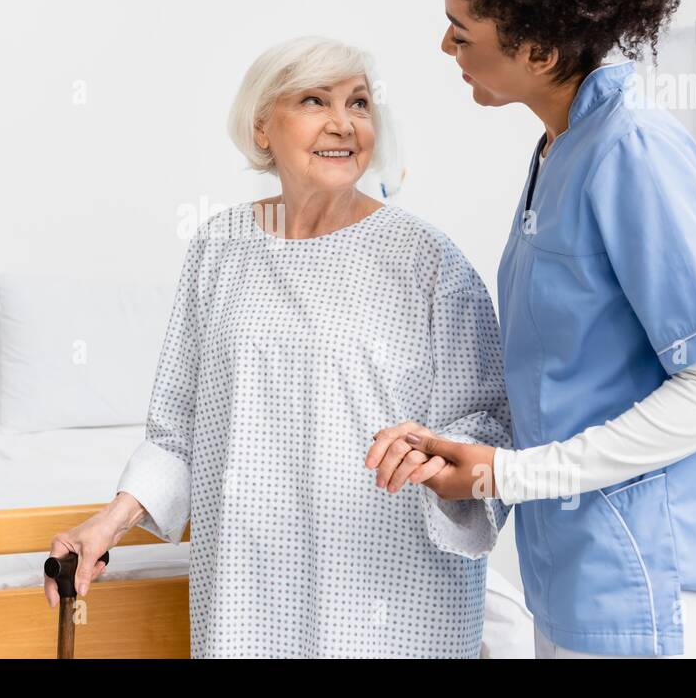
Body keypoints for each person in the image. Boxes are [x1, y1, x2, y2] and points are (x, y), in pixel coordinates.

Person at [381, 0, 696, 658]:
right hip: (577, 568)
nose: (447, 47)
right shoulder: (560, 153)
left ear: (540, 46)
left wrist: (509, 473)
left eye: (462, 31)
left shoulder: (631, 153)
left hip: (660, 568)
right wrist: (473, 456)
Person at [44, 35, 512, 657]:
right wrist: (109, 523)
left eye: (360, 103)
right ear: (263, 128)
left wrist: (435, 457)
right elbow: (178, 429)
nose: (343, 124)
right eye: (315, 101)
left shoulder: (428, 261)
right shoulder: (219, 247)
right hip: (247, 581)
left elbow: (487, 426)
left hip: (389, 585)